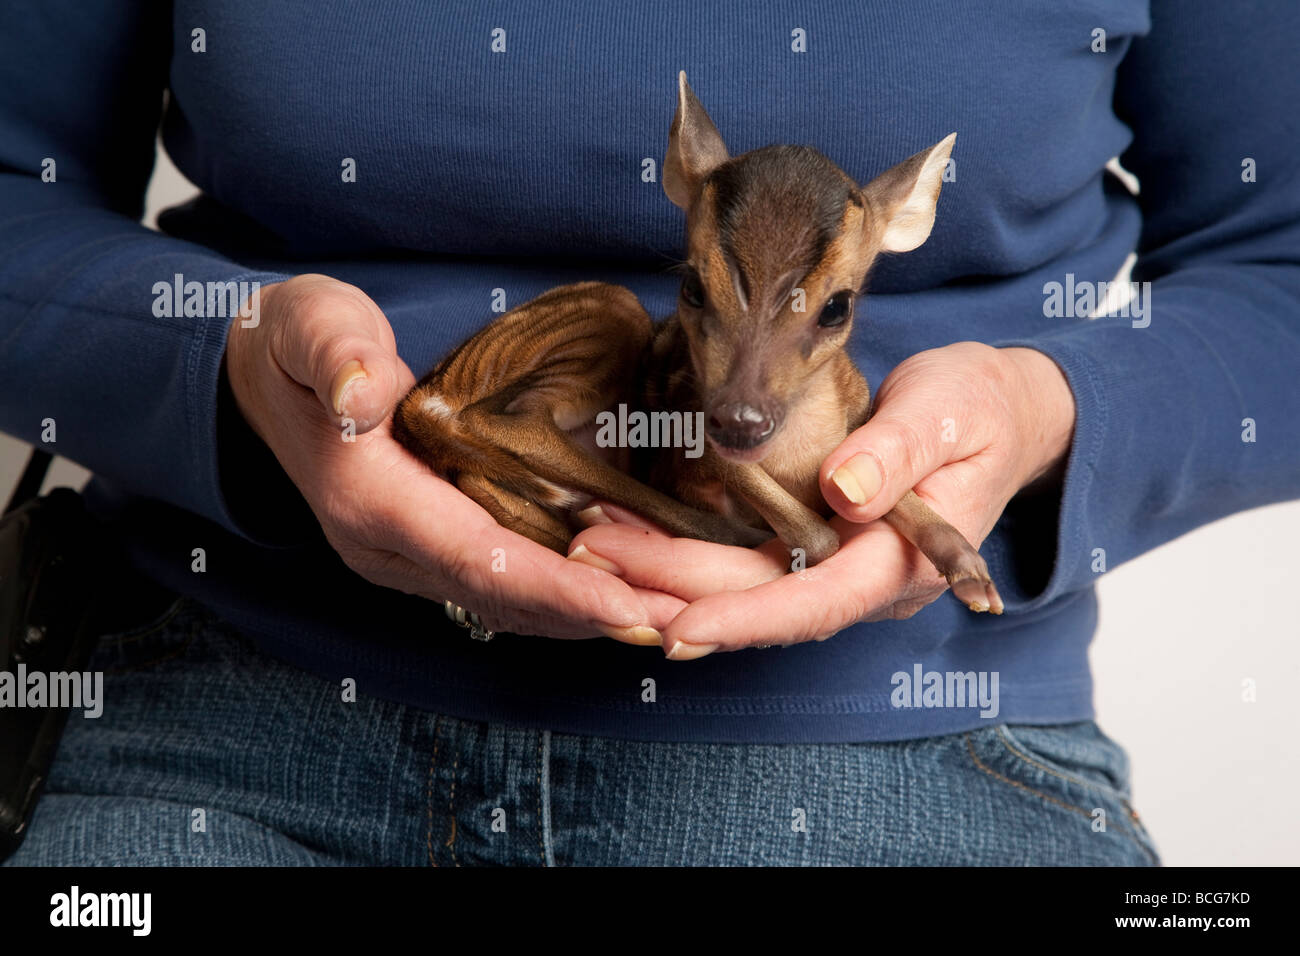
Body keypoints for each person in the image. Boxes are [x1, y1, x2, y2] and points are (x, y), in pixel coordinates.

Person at [1, 1, 1295, 866]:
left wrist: (1037, 416)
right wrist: (222, 375)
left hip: (914, 747)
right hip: (224, 717)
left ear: (904, 221)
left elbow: (1280, 268)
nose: (743, 392)